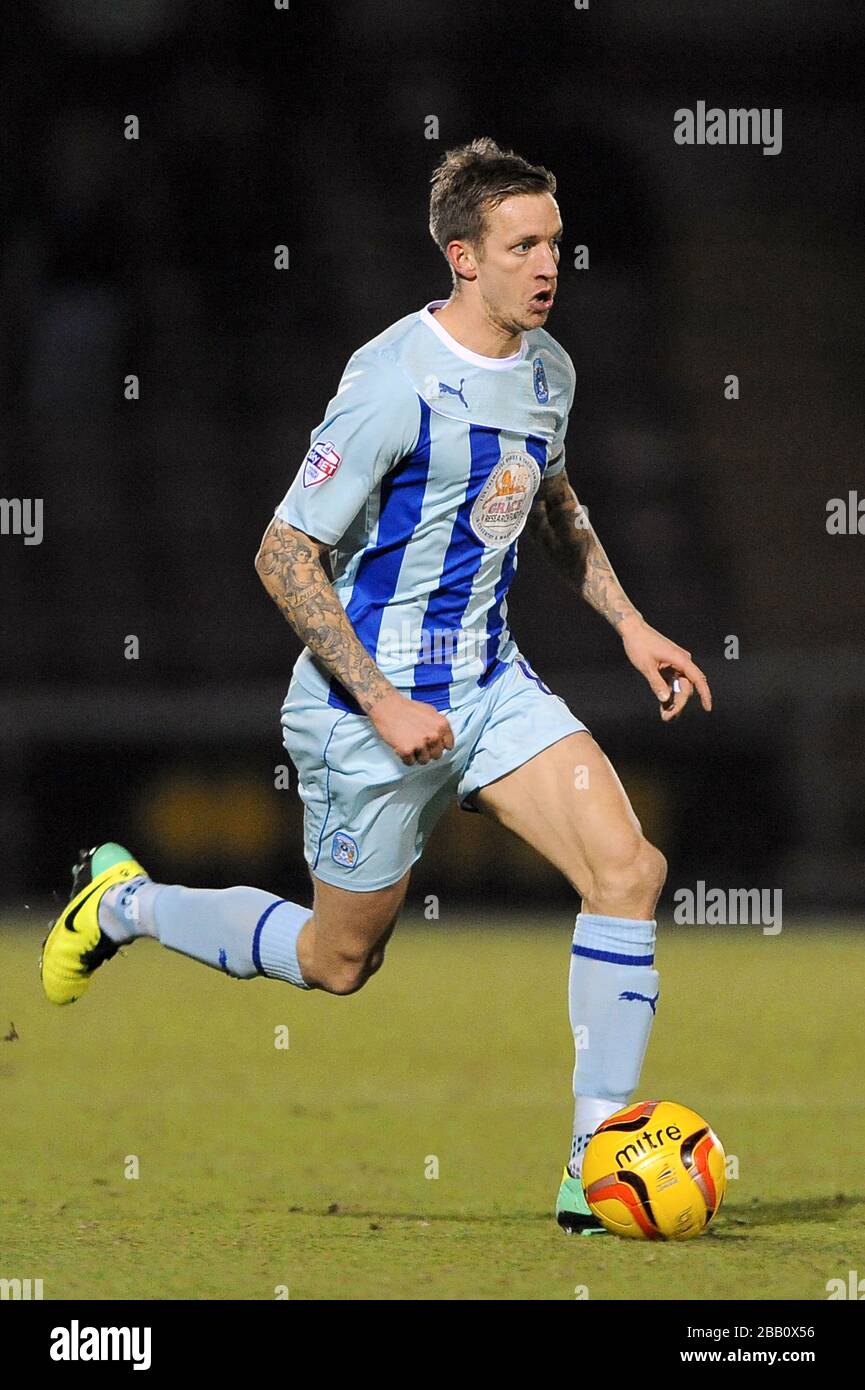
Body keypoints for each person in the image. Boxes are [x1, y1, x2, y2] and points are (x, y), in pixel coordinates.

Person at [41, 137, 711, 1235]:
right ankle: (122, 903)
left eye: (555, 242)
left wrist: (633, 626)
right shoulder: (390, 382)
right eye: (523, 245)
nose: (550, 264)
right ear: (463, 256)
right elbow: (281, 551)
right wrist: (381, 699)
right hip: (370, 710)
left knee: (629, 869)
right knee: (337, 960)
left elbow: (550, 503)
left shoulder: (551, 371)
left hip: (491, 686)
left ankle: (595, 1161)